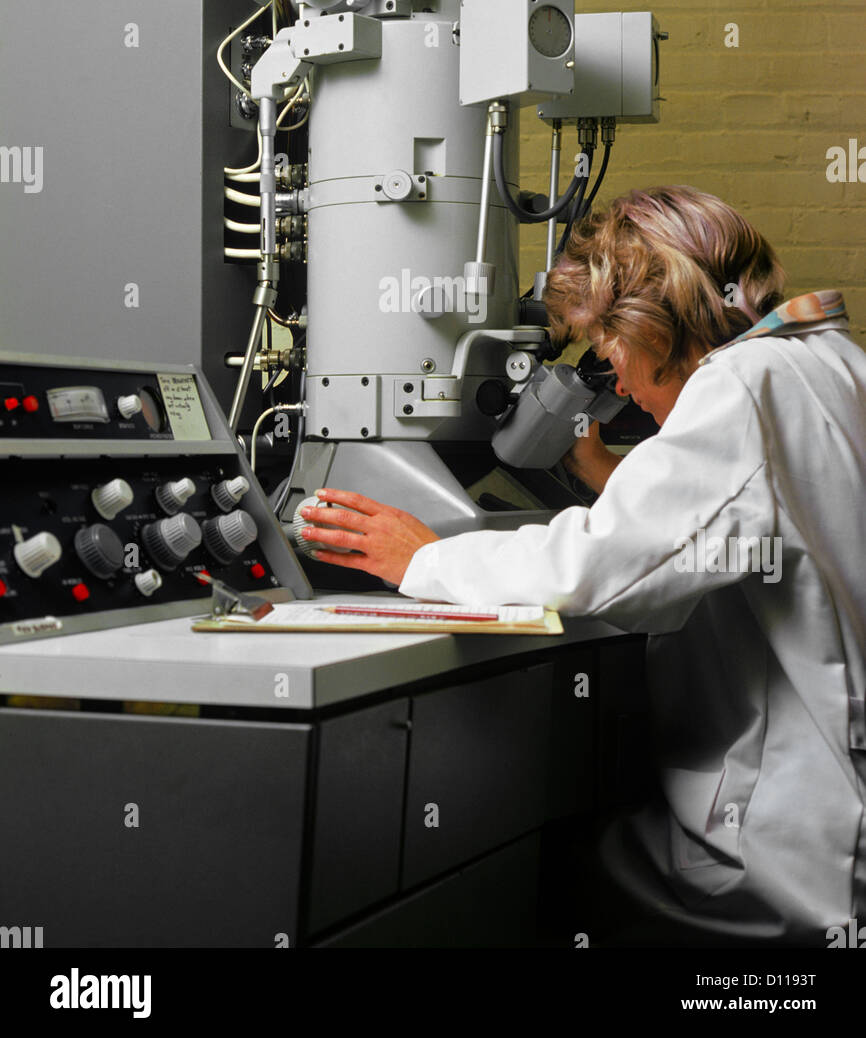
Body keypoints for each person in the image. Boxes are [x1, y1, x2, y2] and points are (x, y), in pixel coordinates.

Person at [298, 186, 866, 947]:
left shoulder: (739, 385)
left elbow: (600, 571)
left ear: (651, 324)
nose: (619, 385)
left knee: (539, 879)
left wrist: (423, 558)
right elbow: (756, 513)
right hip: (834, 798)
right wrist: (607, 477)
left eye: (609, 354)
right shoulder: (826, 359)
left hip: (787, 840)